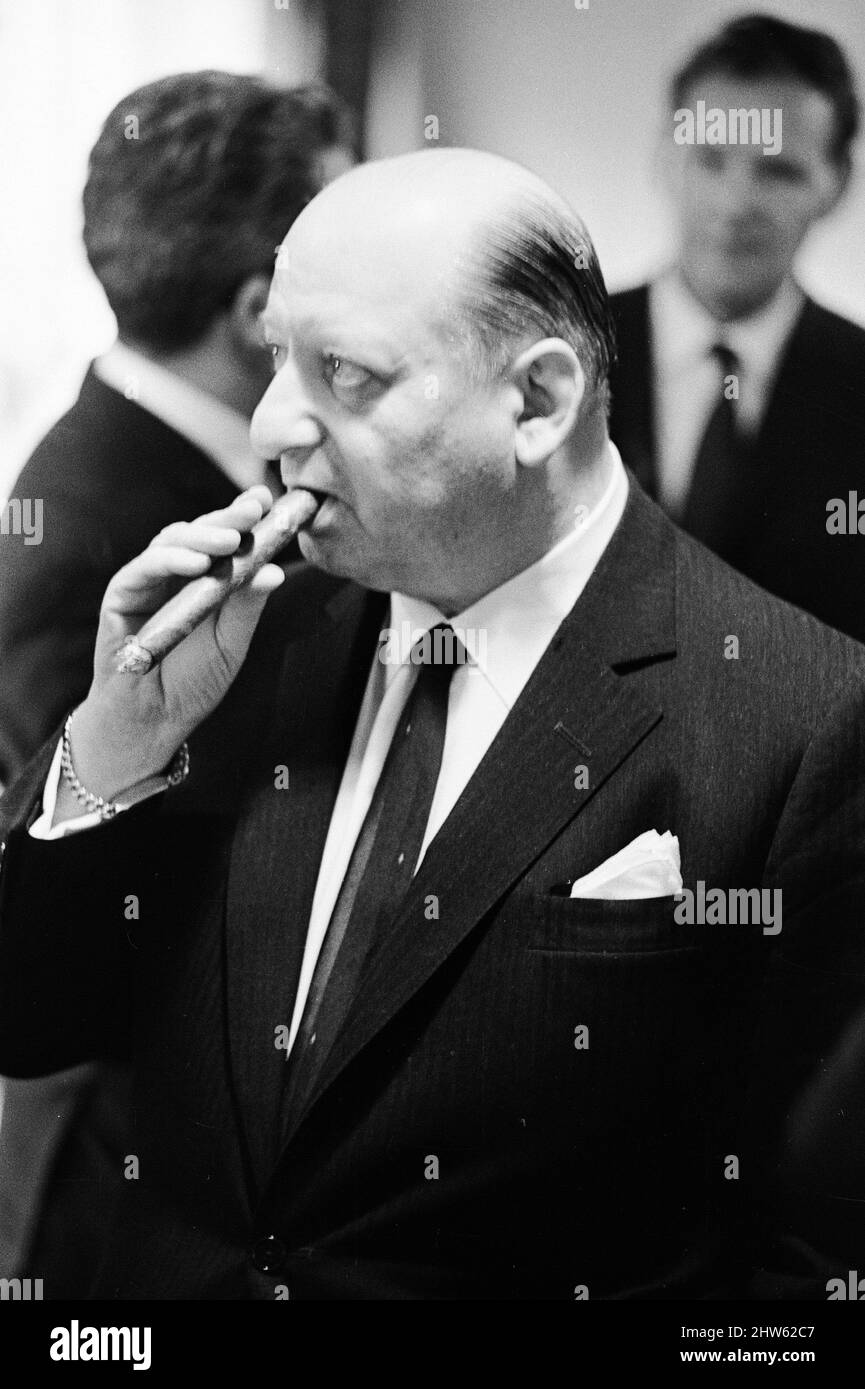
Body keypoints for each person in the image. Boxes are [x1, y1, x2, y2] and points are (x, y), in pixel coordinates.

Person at [1, 148, 864, 1300]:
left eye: (344, 374)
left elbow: (806, 1249)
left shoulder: (805, 717)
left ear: (538, 400)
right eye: (274, 360)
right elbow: (31, 1019)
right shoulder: (235, 637)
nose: (271, 422)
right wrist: (115, 744)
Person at [0, 70, 352, 1296]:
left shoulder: (199, 472)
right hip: (131, 1186)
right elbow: (54, 930)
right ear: (260, 305)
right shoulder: (84, 527)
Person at [609, 13, 865, 642]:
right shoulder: (561, 354)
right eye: (711, 159)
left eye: (778, 172)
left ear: (837, 185)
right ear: (665, 160)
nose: (735, 203)